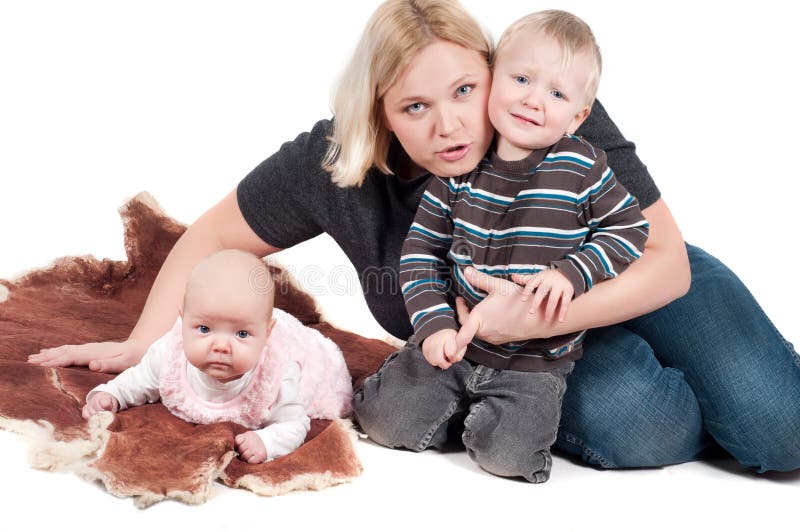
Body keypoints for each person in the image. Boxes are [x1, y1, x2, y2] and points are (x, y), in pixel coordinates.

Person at [27, 0, 800, 473]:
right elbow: (206, 238)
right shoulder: (332, 163)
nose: (454, 123)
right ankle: (688, 395)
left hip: (630, 276)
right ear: (377, 113)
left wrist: (546, 311)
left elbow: (662, 264)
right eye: (415, 107)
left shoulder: (541, 105)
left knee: (780, 428)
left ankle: (725, 388)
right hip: (525, 355)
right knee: (641, 423)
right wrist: (138, 347)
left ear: (494, 71)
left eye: (467, 89)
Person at [364, 10, 649, 483]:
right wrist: (434, 325)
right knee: (382, 422)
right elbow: (419, 255)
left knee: (510, 460)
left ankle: (483, 421)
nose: (534, 101)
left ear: (578, 116)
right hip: (458, 342)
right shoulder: (461, 169)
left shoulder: (583, 168)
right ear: (493, 80)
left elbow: (629, 230)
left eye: (556, 94)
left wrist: (572, 273)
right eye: (521, 79)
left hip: (537, 361)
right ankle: (442, 402)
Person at [82, 249, 346, 464]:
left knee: (321, 386)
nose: (221, 346)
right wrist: (112, 394)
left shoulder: (277, 374)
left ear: (266, 335)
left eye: (241, 334)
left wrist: (268, 442)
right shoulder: (171, 352)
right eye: (205, 329)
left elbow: (294, 423)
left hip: (310, 359)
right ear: (184, 321)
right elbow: (141, 379)